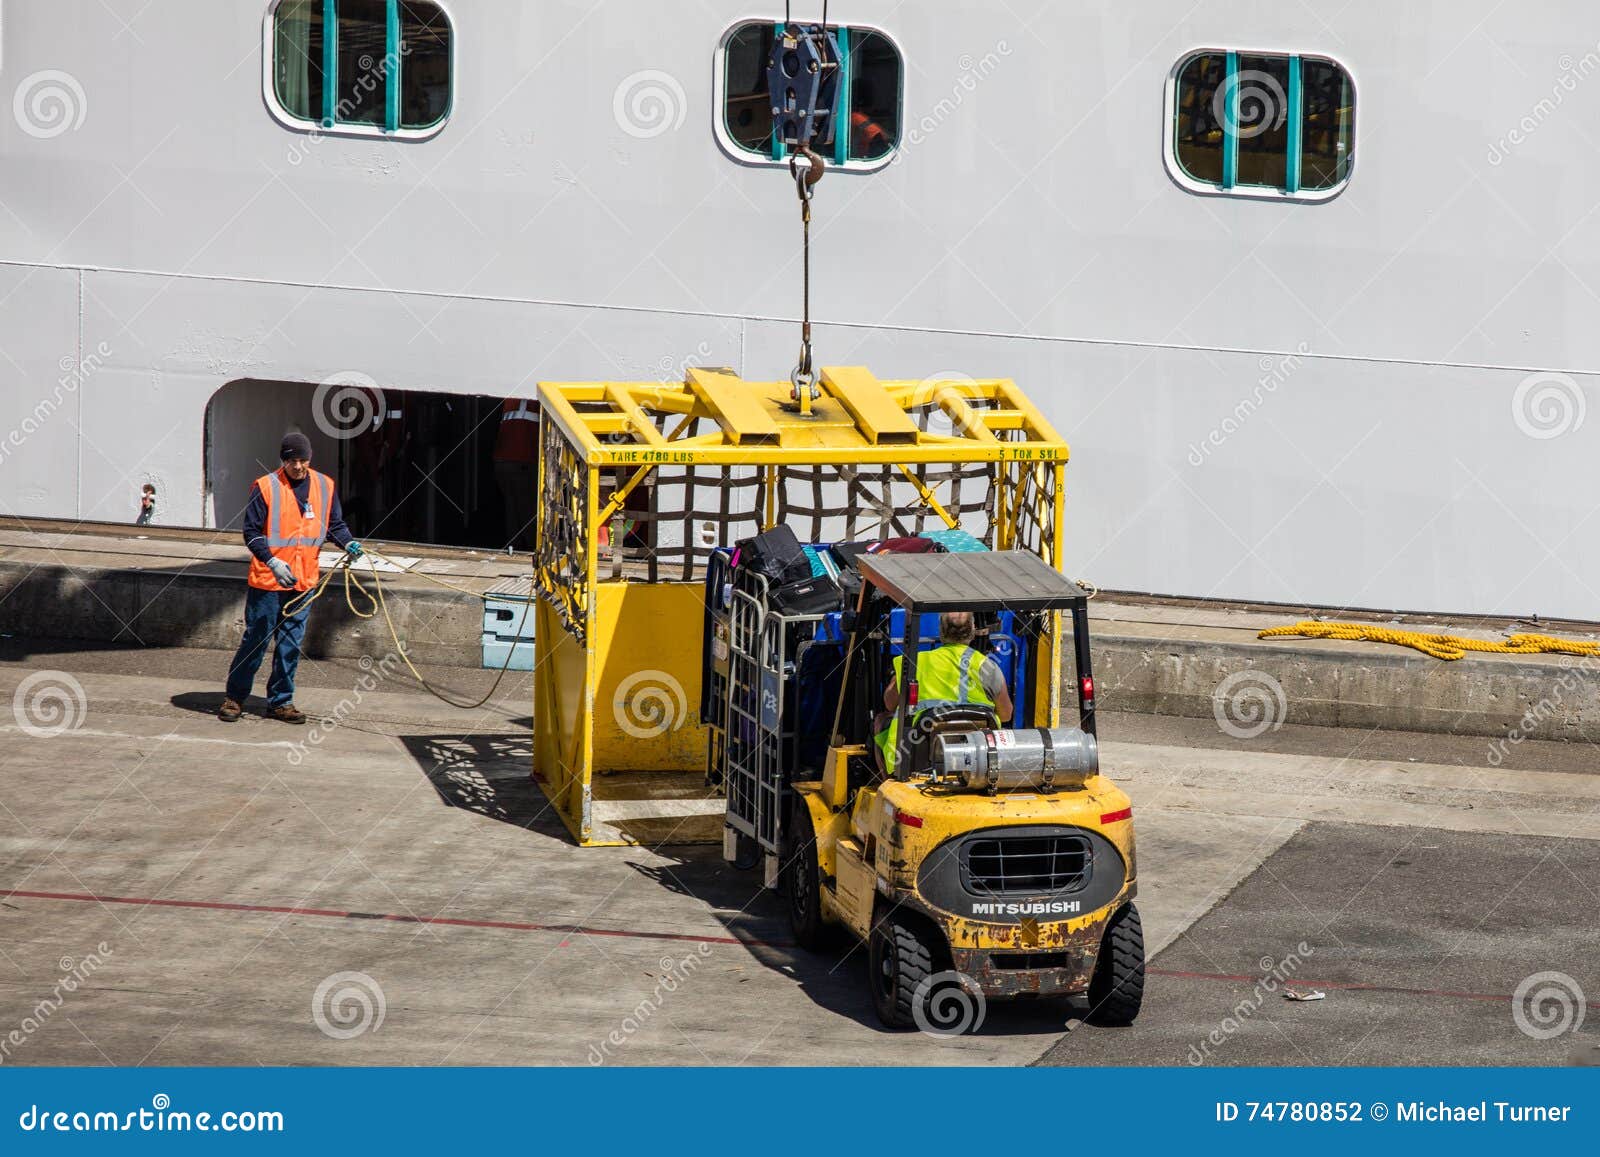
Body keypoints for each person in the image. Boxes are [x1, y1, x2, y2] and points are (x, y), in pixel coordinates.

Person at [218, 431, 362, 723]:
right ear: (282, 460)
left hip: (303, 581)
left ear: (310, 458)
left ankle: (281, 702)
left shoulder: (324, 485)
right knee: (256, 640)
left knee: (291, 644)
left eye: (303, 460)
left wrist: (348, 542)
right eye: (292, 460)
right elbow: (252, 533)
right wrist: (271, 561)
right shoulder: (265, 487)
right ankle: (234, 697)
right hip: (269, 580)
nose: (298, 466)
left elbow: (334, 524)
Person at [874, 611, 1013, 775]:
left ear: (940, 630)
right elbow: (1005, 715)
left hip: (917, 758)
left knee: (881, 720)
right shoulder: (987, 666)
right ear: (973, 629)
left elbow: (889, 704)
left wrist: (895, 680)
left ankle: (890, 781)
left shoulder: (916, 662)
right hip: (978, 760)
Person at [493, 397, 539, 552]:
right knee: (529, 509)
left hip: (503, 460)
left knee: (512, 507)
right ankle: (533, 548)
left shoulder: (510, 400)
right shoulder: (539, 400)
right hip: (525, 460)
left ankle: (514, 545)